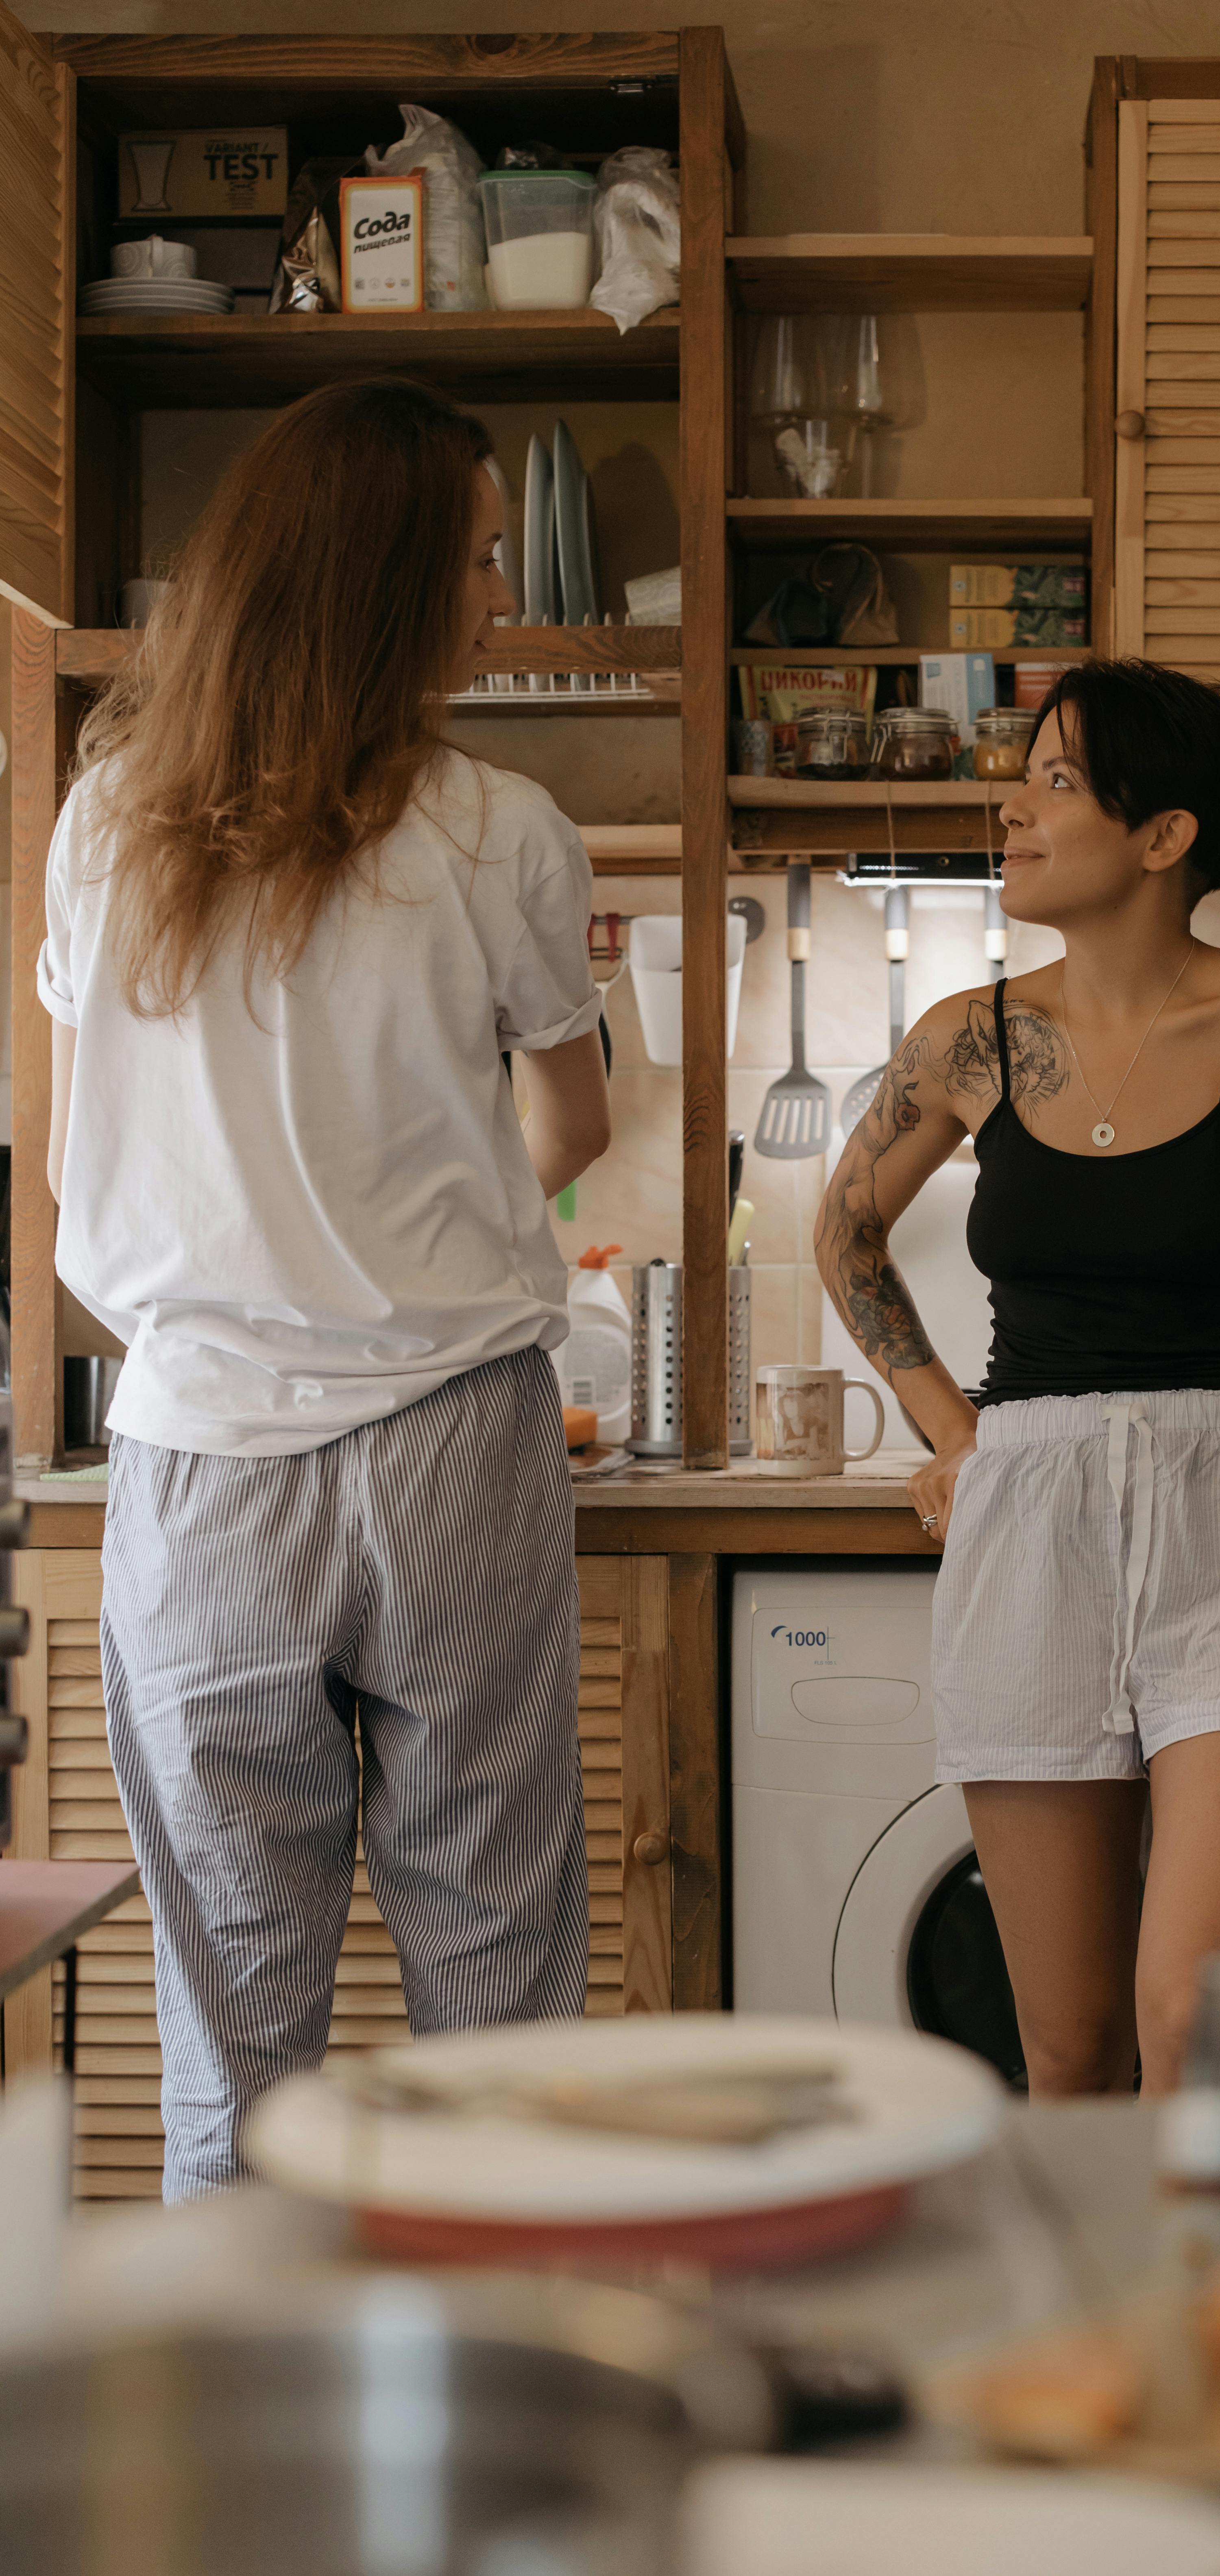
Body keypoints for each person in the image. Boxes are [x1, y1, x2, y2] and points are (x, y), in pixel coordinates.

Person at [39, 379, 611, 2197]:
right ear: (382, 586)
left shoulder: (107, 822)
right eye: (475, 561)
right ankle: (516, 2411)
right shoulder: (497, 827)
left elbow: (99, 1124)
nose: (494, 602)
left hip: (200, 1462)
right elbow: (574, 1121)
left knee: (234, 2022)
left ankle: (244, 2443)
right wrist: (422, 1242)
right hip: (451, 1438)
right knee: (498, 1992)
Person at [816, 659, 1220, 2098]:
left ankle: (1204, 2322)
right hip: (1032, 1509)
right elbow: (846, 1223)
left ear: (1164, 836)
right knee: (1066, 2047)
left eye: (1055, 781)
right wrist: (951, 1430)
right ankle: (1102, 2320)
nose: (1014, 807)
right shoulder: (968, 1039)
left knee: (1194, 2025)